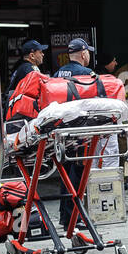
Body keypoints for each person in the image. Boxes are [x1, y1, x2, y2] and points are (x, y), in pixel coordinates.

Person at [53, 38, 94, 232]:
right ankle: (75, 218)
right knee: (78, 177)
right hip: (79, 133)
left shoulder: (57, 73)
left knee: (65, 176)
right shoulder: (87, 74)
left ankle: (66, 217)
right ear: (84, 53)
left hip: (61, 132)